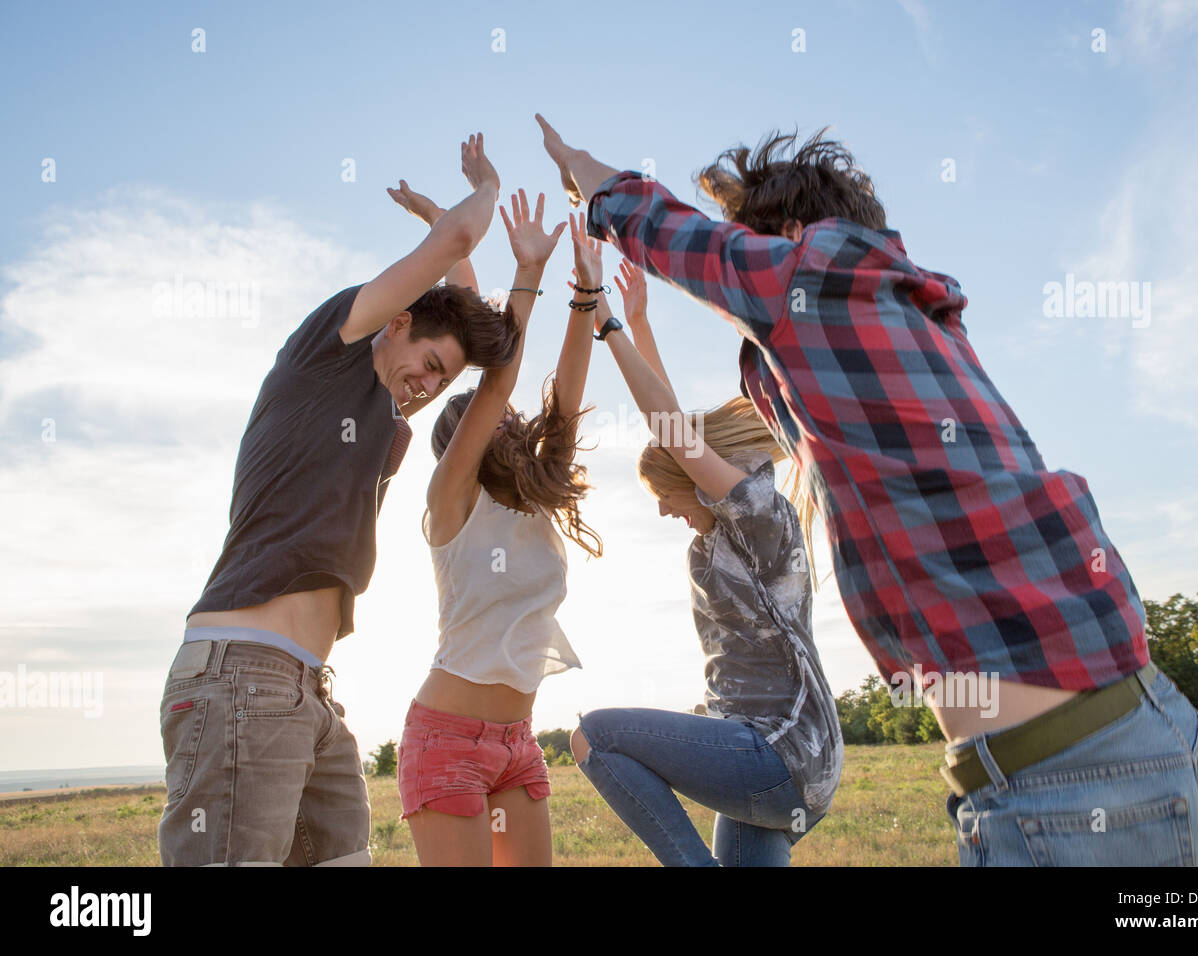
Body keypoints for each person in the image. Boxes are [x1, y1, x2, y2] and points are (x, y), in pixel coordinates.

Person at [535, 115, 1198, 866]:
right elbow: (708, 424)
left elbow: (651, 224)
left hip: (1065, 785)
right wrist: (646, 331)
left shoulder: (808, 279)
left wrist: (580, 169)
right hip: (1168, 733)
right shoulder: (920, 330)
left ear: (789, 233)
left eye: (751, 241)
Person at [158, 134, 512, 866]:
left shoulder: (382, 416)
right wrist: (482, 192)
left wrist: (453, 250)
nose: (427, 383)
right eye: (427, 364)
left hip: (306, 692)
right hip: (241, 676)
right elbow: (458, 238)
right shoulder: (328, 354)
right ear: (397, 322)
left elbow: (470, 331)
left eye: (441, 382)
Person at [569, 260, 843, 866]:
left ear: (689, 480)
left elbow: (671, 428)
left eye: (662, 496)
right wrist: (641, 324)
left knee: (596, 736)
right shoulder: (734, 525)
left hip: (777, 753)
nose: (664, 513)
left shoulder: (757, 515)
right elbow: (679, 425)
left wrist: (607, 320)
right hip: (773, 758)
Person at [398, 199, 602, 866]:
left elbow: (565, 400)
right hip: (445, 742)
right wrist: (522, 273)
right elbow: (492, 384)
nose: (509, 418)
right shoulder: (450, 504)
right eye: (494, 416)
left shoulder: (535, 498)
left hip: (518, 741)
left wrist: (584, 296)